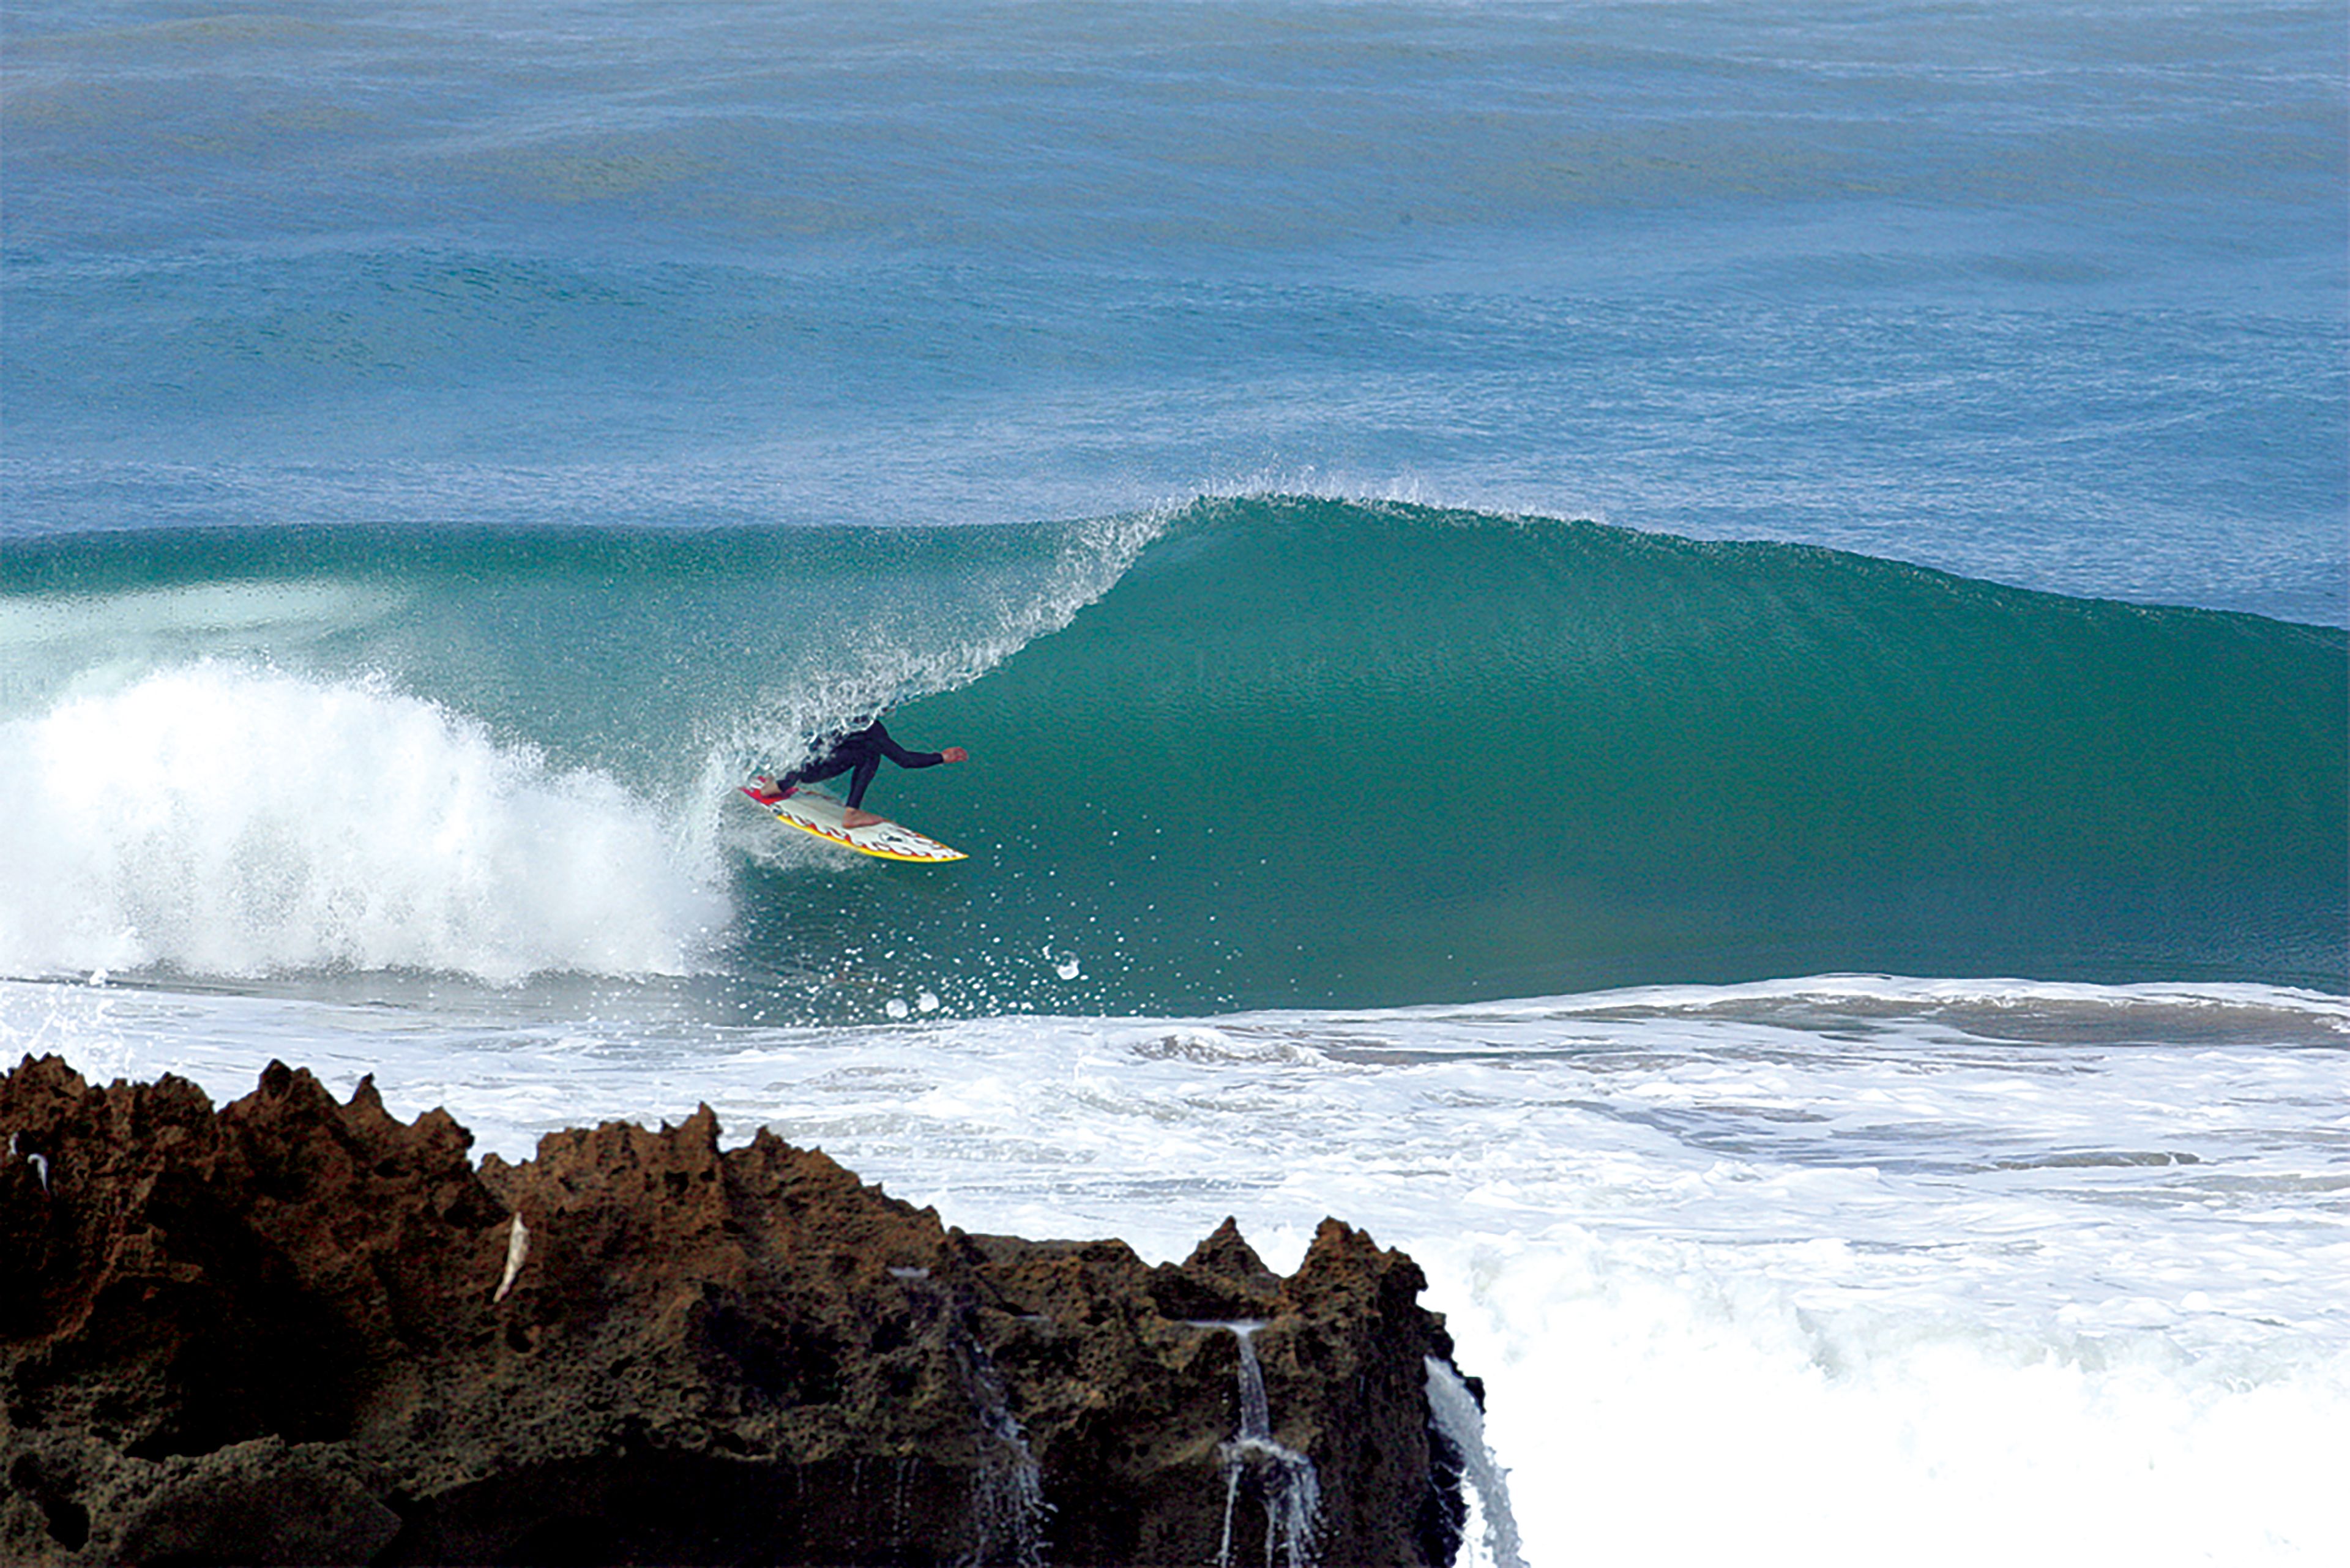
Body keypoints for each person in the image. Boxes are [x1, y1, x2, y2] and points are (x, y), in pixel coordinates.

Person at [749, 719, 968, 828]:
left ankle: (775, 786)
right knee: (871, 753)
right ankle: (852, 814)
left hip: (797, 769)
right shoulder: (871, 727)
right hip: (815, 769)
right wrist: (941, 757)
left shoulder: (839, 712)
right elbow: (906, 761)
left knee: (814, 746)